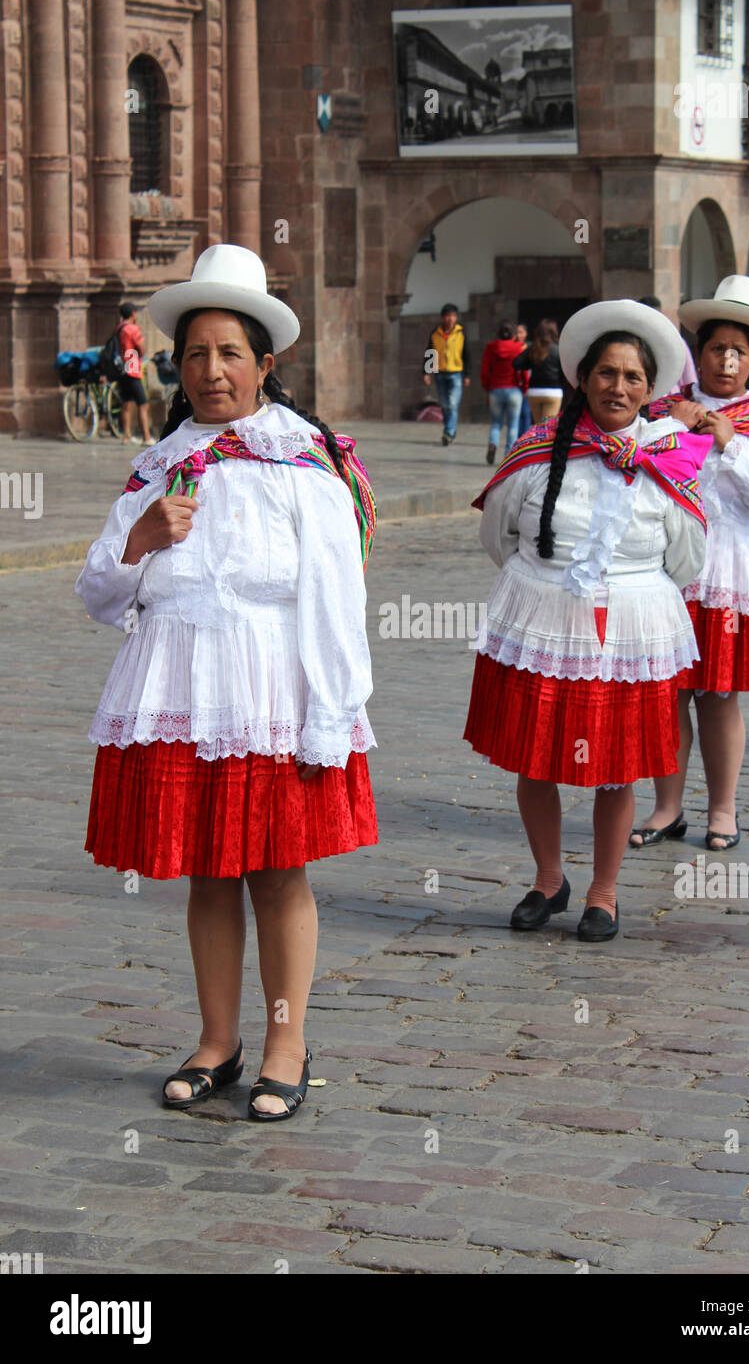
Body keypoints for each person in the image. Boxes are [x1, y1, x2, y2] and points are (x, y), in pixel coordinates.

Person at [75, 244, 377, 1122]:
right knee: (207, 872)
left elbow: (334, 600)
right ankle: (218, 1040)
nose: (212, 372)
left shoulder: (302, 464)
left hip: (271, 696)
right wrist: (141, 543)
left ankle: (287, 1039)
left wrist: (332, 713)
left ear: (265, 365)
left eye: (230, 354)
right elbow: (99, 589)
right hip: (182, 692)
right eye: (196, 355)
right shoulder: (156, 466)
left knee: (278, 871)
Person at [464, 300, 711, 942]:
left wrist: (623, 593)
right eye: (606, 373)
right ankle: (550, 881)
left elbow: (685, 560)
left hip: (627, 633)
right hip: (545, 624)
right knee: (536, 760)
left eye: (632, 377)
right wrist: (549, 585)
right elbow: (500, 535)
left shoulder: (669, 463)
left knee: (615, 767)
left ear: (650, 389)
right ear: (582, 378)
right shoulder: (539, 451)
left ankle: (604, 893)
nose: (618, 387)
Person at [632, 275, 749, 853]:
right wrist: (672, 427)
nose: (726, 360)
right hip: (666, 570)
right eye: (716, 349)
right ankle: (667, 807)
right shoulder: (661, 412)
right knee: (667, 692)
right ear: (698, 354)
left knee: (718, 693)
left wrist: (730, 443)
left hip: (731, 571)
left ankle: (724, 810)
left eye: (738, 351)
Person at [423, 303, 471, 446]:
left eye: (453, 316)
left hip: (456, 372)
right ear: (443, 317)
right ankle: (450, 430)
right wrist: (426, 372)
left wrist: (467, 375)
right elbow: (430, 352)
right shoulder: (435, 333)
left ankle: (448, 432)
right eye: (448, 316)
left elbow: (467, 355)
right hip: (439, 373)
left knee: (452, 404)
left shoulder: (460, 333)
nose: (451, 319)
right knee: (444, 405)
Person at [480, 320, 525, 465]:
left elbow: (485, 370)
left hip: (495, 389)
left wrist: (488, 387)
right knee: (513, 425)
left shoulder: (491, 348)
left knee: (496, 423)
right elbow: (523, 370)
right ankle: (508, 456)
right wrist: (524, 387)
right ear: (513, 335)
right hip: (513, 389)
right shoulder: (518, 348)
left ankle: (493, 443)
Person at [640, 294, 699, 392]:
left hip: (671, 401)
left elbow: (689, 379)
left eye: (656, 316)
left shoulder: (677, 342)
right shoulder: (634, 345)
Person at [114, 302, 154, 447]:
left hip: (122, 370)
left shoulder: (119, 328)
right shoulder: (133, 329)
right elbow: (141, 350)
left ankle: (126, 436)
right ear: (133, 314)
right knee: (143, 404)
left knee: (126, 404)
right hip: (133, 370)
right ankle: (146, 437)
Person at [513, 318, 564, 423]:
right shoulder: (558, 349)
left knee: (538, 428)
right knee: (548, 429)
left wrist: (529, 364)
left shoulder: (533, 348)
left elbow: (516, 363)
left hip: (534, 391)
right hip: (553, 391)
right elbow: (564, 371)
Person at [515, 323, 532, 435]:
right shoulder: (514, 347)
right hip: (516, 382)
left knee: (526, 411)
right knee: (518, 412)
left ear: (526, 334)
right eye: (516, 332)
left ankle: (524, 435)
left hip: (527, 381)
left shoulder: (529, 347)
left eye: (520, 332)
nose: (518, 335)